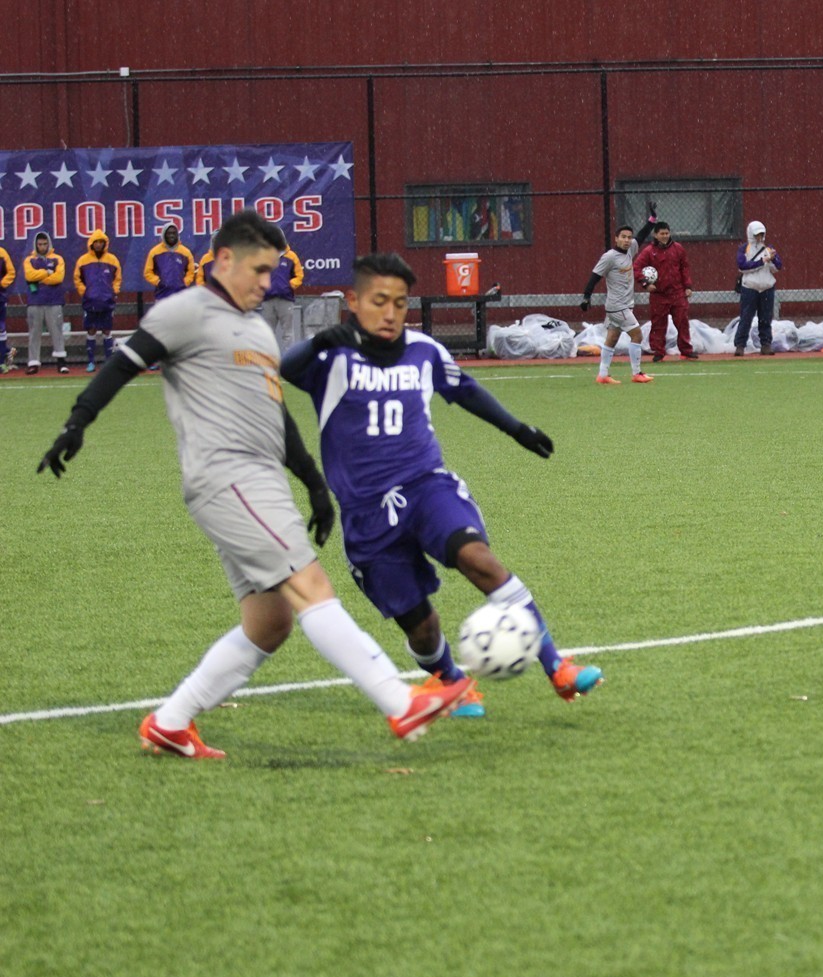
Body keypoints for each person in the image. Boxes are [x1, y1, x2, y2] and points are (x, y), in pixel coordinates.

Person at [37, 211, 472, 759]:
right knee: (311, 586)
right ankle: (398, 701)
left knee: (269, 624)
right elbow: (123, 364)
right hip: (228, 475)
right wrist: (77, 421)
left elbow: (276, 416)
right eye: (261, 270)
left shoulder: (258, 330)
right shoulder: (186, 311)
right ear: (225, 260)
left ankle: (171, 723)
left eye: (274, 272)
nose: (268, 283)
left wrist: (313, 482)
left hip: (260, 479)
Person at [280, 252, 603, 716]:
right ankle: (452, 680)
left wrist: (517, 429)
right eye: (377, 302)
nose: (390, 313)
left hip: (425, 486)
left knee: (479, 559)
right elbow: (287, 368)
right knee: (421, 626)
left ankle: (557, 667)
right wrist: (320, 341)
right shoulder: (332, 358)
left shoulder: (424, 350)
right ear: (352, 301)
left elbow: (464, 389)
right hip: (365, 512)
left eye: (400, 303)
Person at [580, 222, 652, 385]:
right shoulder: (609, 257)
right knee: (637, 334)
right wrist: (586, 296)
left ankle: (603, 375)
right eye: (623, 237)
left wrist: (651, 221)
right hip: (617, 306)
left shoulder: (630, 250)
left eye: (629, 237)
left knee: (612, 338)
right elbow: (595, 276)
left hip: (624, 305)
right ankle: (637, 373)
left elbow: (641, 236)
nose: (627, 240)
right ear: (616, 239)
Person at [633, 218, 696, 362]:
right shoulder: (649, 251)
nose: (665, 236)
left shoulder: (678, 249)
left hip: (677, 292)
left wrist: (687, 286)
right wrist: (645, 284)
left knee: (682, 322)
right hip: (658, 295)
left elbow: (684, 268)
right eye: (662, 233)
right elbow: (636, 268)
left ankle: (686, 351)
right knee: (658, 324)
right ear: (655, 235)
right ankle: (658, 352)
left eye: (667, 233)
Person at [74, 230, 122, 374]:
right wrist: (85, 292)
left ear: (105, 243)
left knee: (107, 330)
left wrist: (114, 292)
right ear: (92, 244)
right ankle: (90, 362)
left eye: (102, 242)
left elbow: (117, 278)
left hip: (107, 301)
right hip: (91, 301)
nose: (99, 244)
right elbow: (77, 279)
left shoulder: (112, 259)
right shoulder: (83, 260)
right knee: (91, 330)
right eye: (97, 242)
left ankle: (108, 362)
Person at [733, 221, 782, 357]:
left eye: (761, 234)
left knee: (766, 318)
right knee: (746, 318)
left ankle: (766, 344)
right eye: (757, 234)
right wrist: (762, 262)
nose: (759, 237)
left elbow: (778, 267)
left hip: (766, 287)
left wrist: (773, 259)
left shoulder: (768, 248)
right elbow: (743, 266)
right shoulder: (744, 249)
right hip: (750, 287)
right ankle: (740, 345)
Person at [23, 232, 68, 374]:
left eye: (44, 244)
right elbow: (29, 276)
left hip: (54, 300)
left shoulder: (57, 259)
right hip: (35, 301)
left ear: (49, 244)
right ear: (36, 245)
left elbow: (58, 278)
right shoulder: (29, 260)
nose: (42, 247)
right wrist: (47, 272)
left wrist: (41, 278)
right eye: (39, 244)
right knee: (34, 332)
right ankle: (33, 363)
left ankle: (61, 362)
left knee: (57, 332)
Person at [257, 241, 305, 353]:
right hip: (267, 300)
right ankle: (269, 357)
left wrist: (291, 284)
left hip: (286, 299)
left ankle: (290, 357)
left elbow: (299, 275)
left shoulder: (291, 256)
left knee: (288, 332)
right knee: (268, 332)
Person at [143, 224, 197, 302]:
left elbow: (191, 272)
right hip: (162, 295)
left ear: (177, 235)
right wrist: (158, 282)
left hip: (181, 295)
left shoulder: (186, 252)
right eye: (169, 233)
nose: (171, 236)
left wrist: (184, 283)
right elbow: (147, 272)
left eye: (174, 233)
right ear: (164, 235)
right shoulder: (154, 252)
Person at [0, 244, 15, 373]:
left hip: (0, 297)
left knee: (1, 329)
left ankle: (1, 362)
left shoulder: (2, 253)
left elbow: (11, 272)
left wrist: (1, 284)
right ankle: (7, 351)